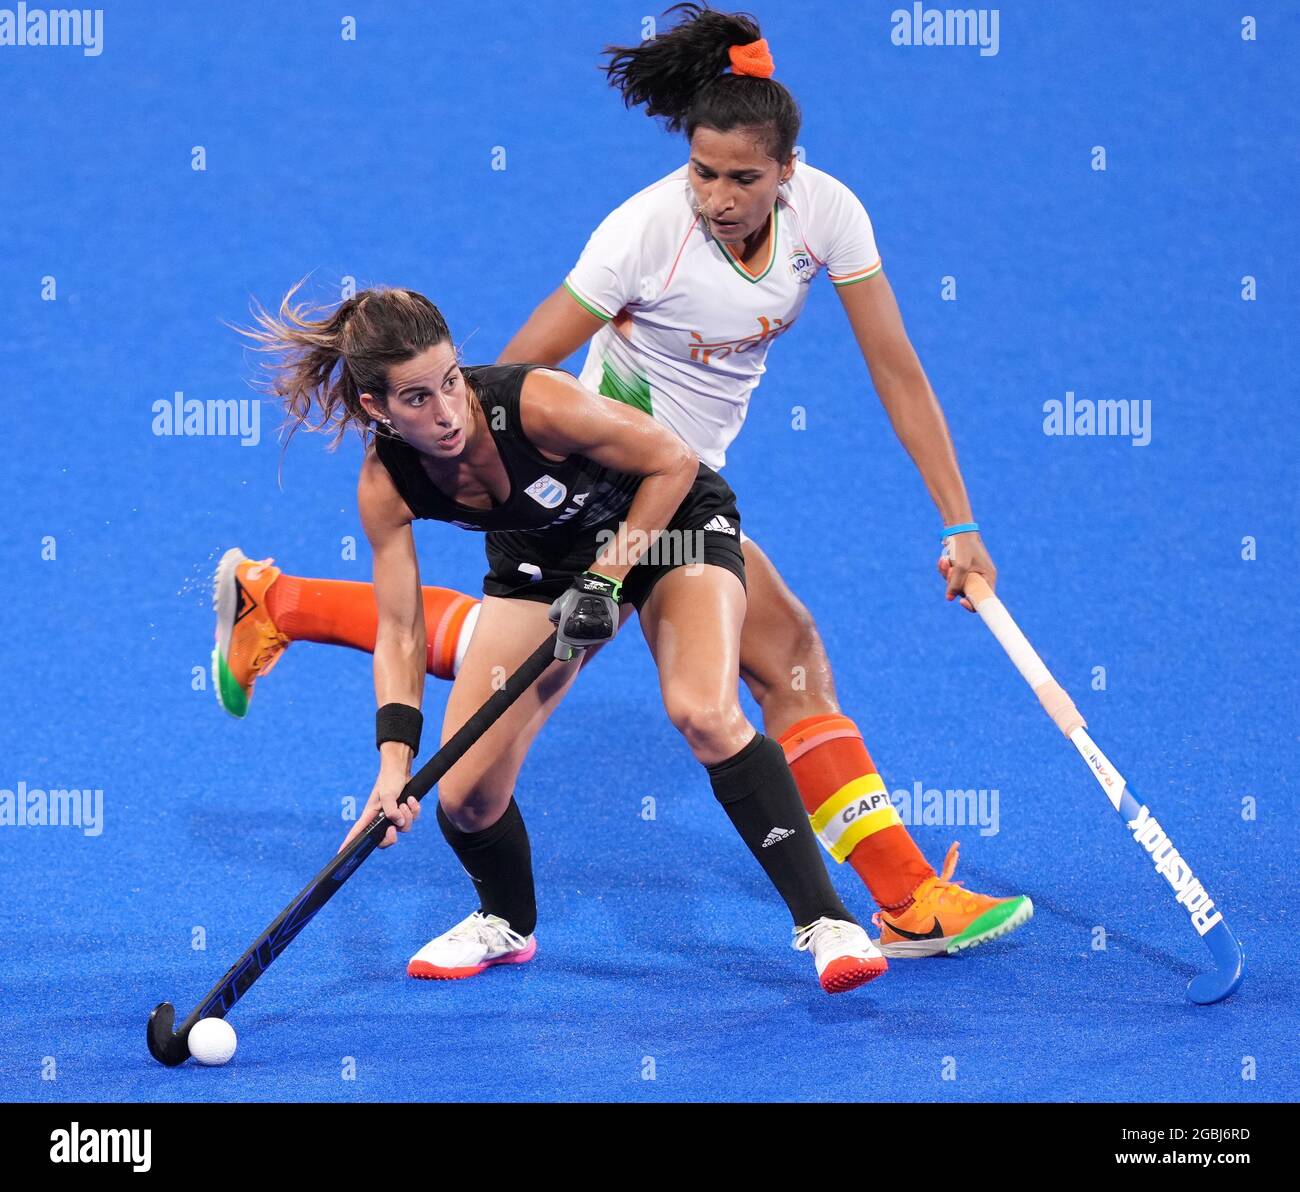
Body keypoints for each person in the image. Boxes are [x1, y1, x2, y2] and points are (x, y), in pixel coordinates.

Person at [214, 4, 1031, 960]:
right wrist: (485, 465)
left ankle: (892, 900)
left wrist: (957, 520)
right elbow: (510, 378)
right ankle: (290, 612)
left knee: (768, 663)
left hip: (674, 496)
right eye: (703, 174)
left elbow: (895, 364)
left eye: (743, 178)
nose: (719, 197)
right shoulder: (645, 234)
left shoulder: (829, 217)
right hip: (589, 479)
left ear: (787, 173)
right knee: (478, 781)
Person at [239, 282, 889, 995]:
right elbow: (400, 630)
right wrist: (393, 766)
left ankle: (827, 922)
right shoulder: (386, 484)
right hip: (543, 564)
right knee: (466, 794)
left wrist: (609, 578)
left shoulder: (536, 403)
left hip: (672, 530)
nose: (449, 411)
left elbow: (673, 462)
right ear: (377, 407)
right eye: (418, 399)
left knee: (702, 711)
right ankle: (505, 922)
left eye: (450, 381)